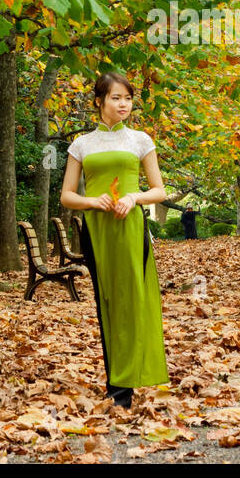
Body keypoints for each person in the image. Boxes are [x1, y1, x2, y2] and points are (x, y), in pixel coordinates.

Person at [60, 72, 169, 411]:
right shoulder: (82, 144)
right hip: (97, 232)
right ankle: (116, 386)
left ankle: (132, 380)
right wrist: (93, 201)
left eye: (128, 98)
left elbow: (160, 190)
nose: (123, 104)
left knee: (135, 301)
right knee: (107, 303)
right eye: (115, 98)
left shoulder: (140, 140)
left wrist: (134, 198)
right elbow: (66, 195)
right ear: (99, 102)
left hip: (132, 230)